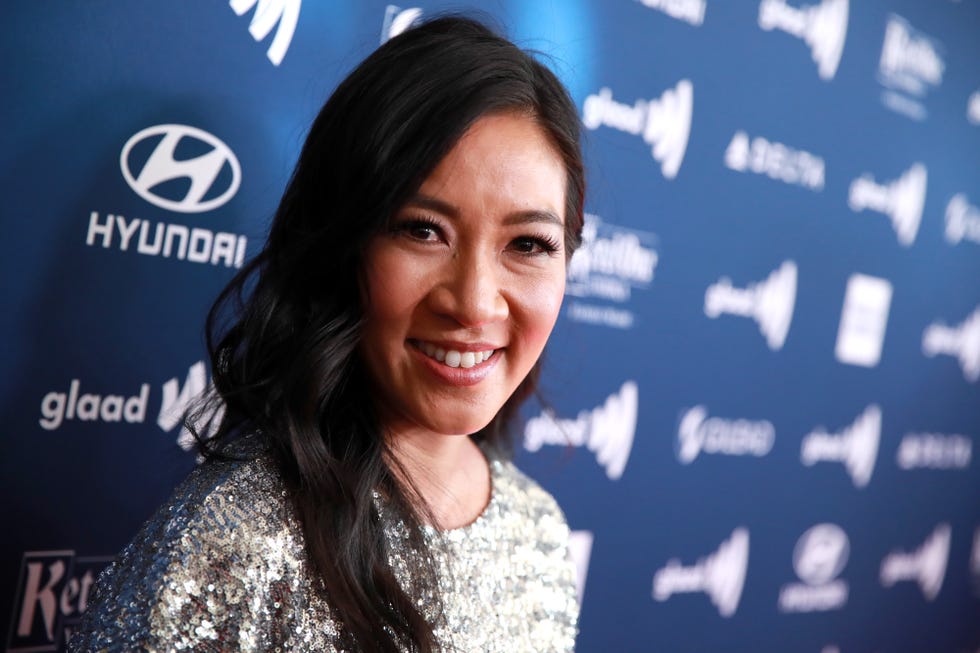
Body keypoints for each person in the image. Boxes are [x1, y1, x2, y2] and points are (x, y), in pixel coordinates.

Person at [70, 14, 585, 653]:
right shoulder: (233, 544)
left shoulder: (540, 532)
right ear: (344, 245)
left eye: (529, 243)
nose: (475, 303)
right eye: (424, 230)